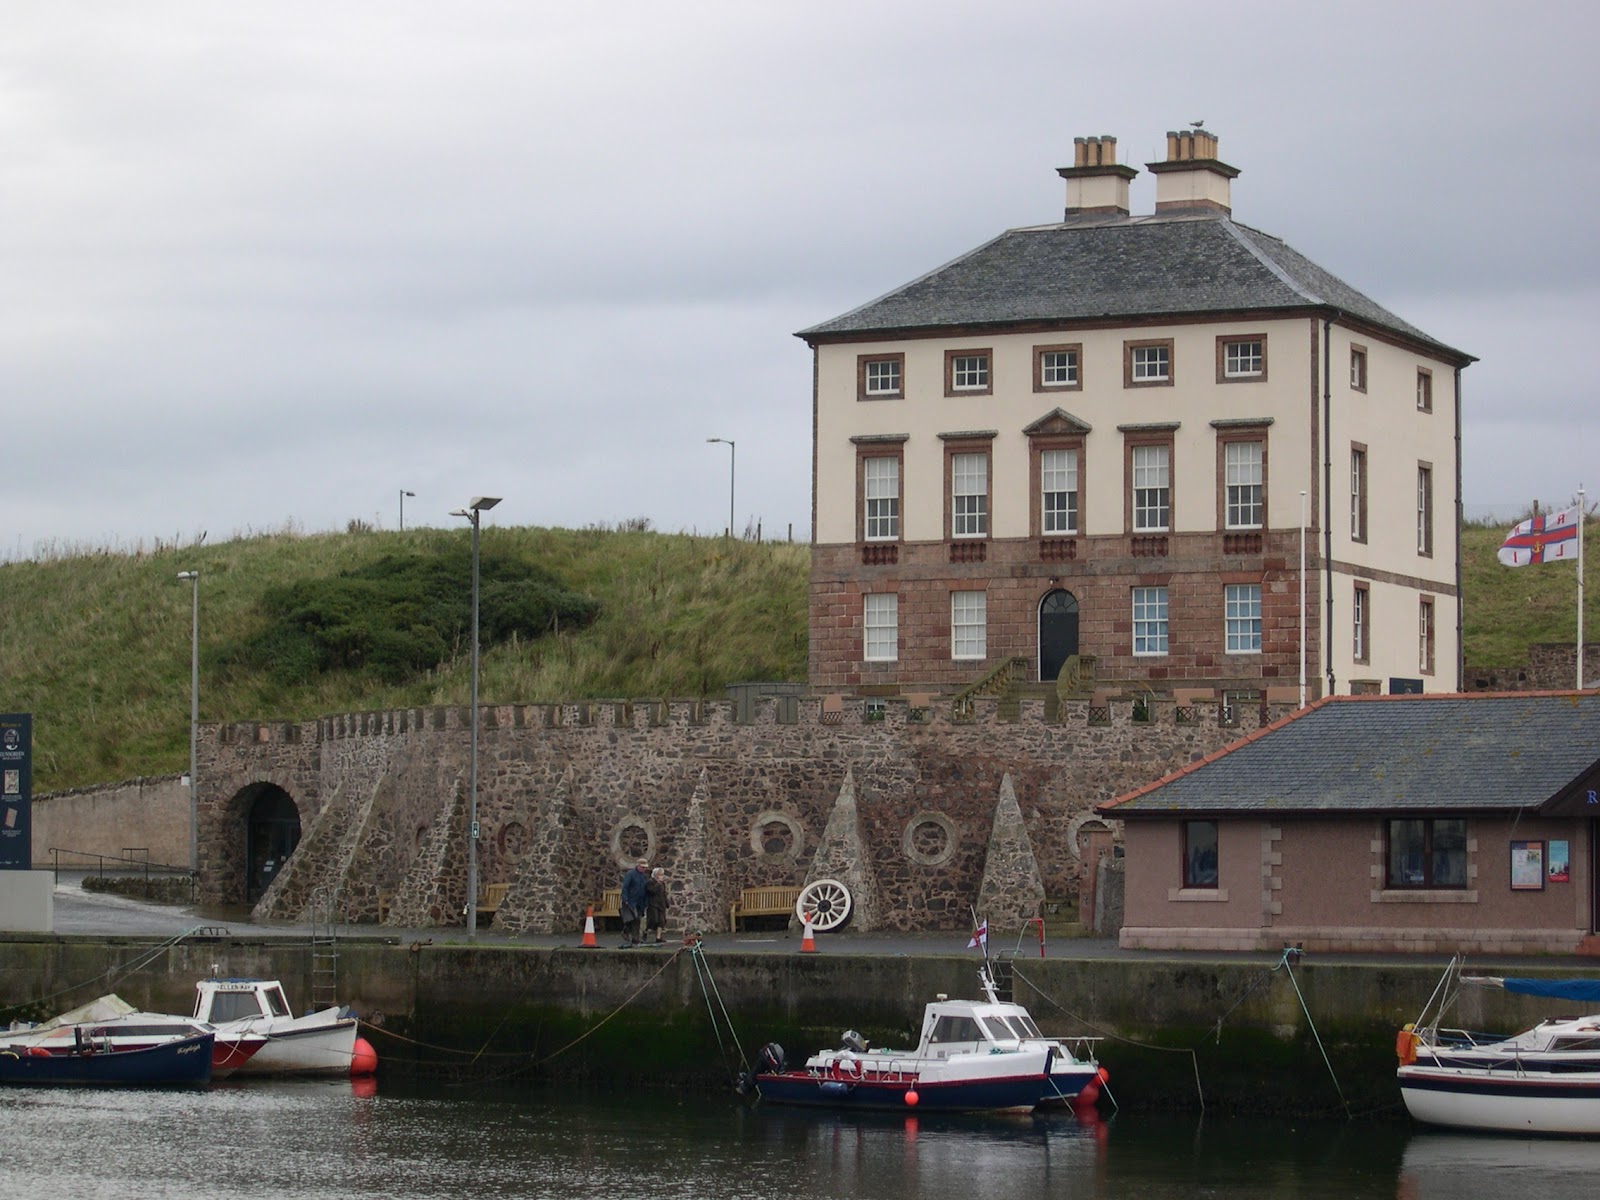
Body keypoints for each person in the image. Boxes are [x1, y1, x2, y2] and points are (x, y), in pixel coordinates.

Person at [619, 858, 650, 948]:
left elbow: (644, 889)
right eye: (643, 867)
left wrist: (645, 902)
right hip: (631, 901)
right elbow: (625, 887)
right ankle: (635, 938)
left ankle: (628, 933)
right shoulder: (631, 874)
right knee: (634, 919)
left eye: (645, 868)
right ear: (638, 866)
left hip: (640, 902)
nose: (644, 869)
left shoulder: (643, 876)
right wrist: (625, 899)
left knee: (637, 919)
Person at [645, 867, 669, 945]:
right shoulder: (650, 882)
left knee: (661, 921)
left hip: (661, 904)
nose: (661, 876)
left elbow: (664, 894)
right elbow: (651, 891)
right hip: (653, 904)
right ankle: (646, 930)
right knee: (653, 920)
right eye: (659, 874)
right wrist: (658, 883)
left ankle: (658, 937)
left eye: (662, 874)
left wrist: (666, 902)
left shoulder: (662, 884)